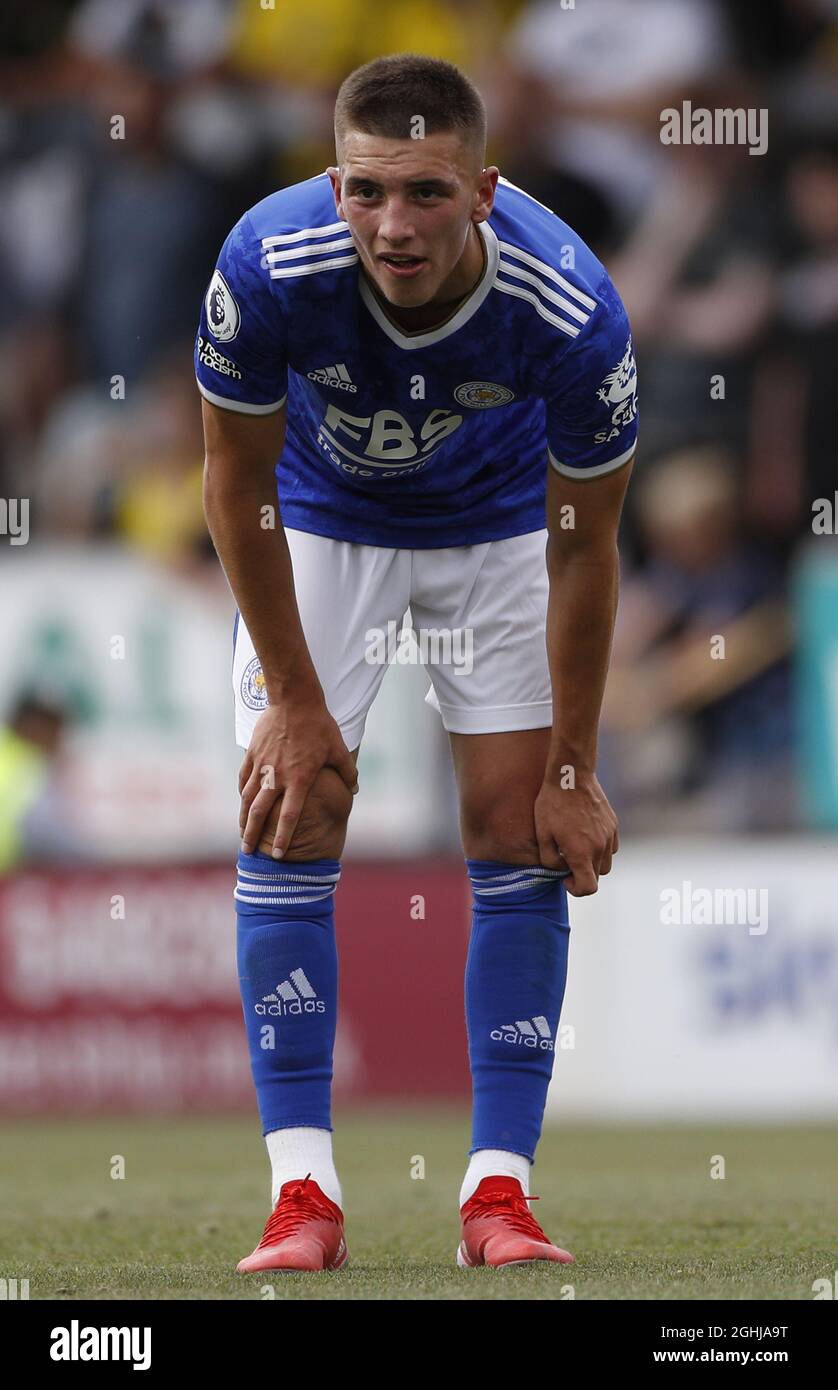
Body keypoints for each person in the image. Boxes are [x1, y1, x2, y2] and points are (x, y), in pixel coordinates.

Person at [196, 53, 637, 1273]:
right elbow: (231, 482)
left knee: (513, 825)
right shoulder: (266, 260)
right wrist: (291, 700)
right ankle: (304, 1199)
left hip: (499, 528)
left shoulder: (571, 307)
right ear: (334, 183)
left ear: (484, 190)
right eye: (368, 191)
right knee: (292, 811)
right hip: (321, 518)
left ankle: (499, 1191)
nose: (395, 226)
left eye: (428, 194)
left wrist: (575, 764)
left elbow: (587, 544)